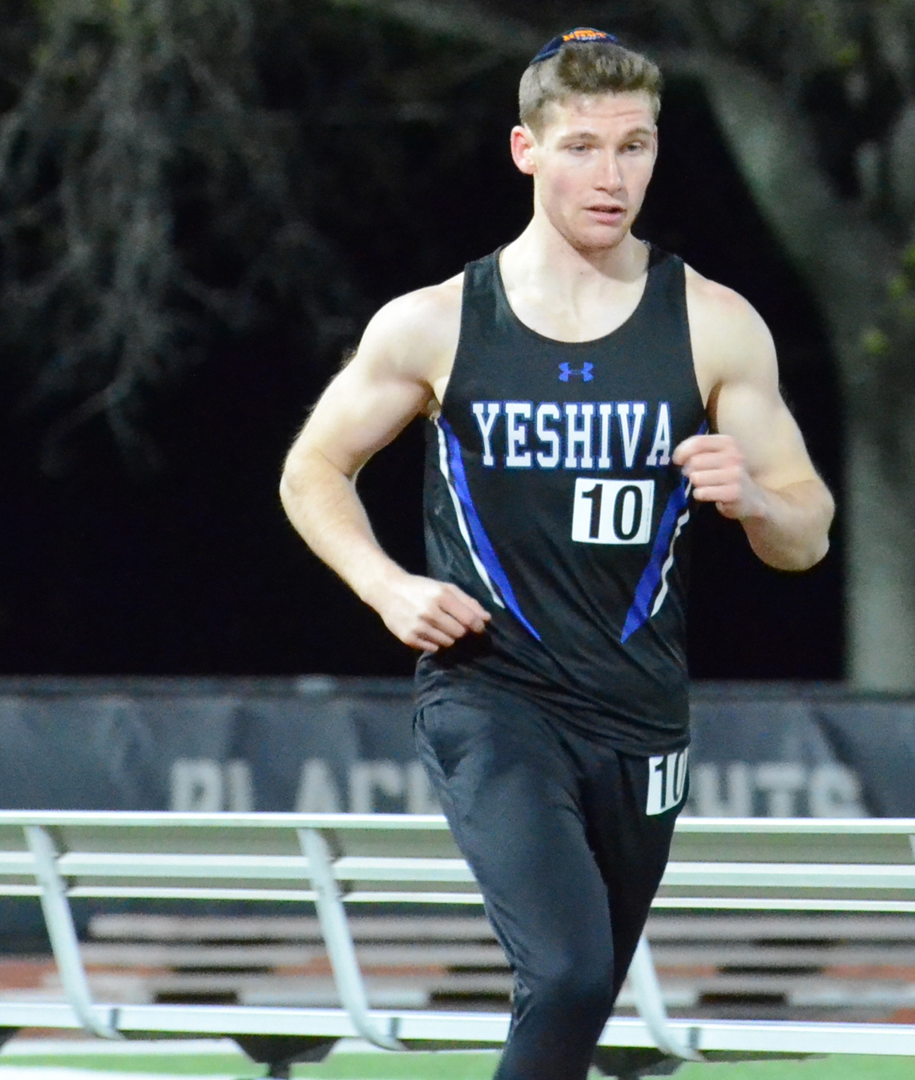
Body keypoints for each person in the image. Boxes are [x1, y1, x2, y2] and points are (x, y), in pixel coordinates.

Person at [278, 28, 834, 1080]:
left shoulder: (714, 325)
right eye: (583, 146)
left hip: (640, 712)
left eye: (636, 146)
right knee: (572, 972)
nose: (612, 175)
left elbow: (807, 534)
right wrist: (387, 585)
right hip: (491, 695)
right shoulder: (438, 323)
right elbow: (312, 472)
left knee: (579, 1000)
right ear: (526, 151)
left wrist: (757, 499)